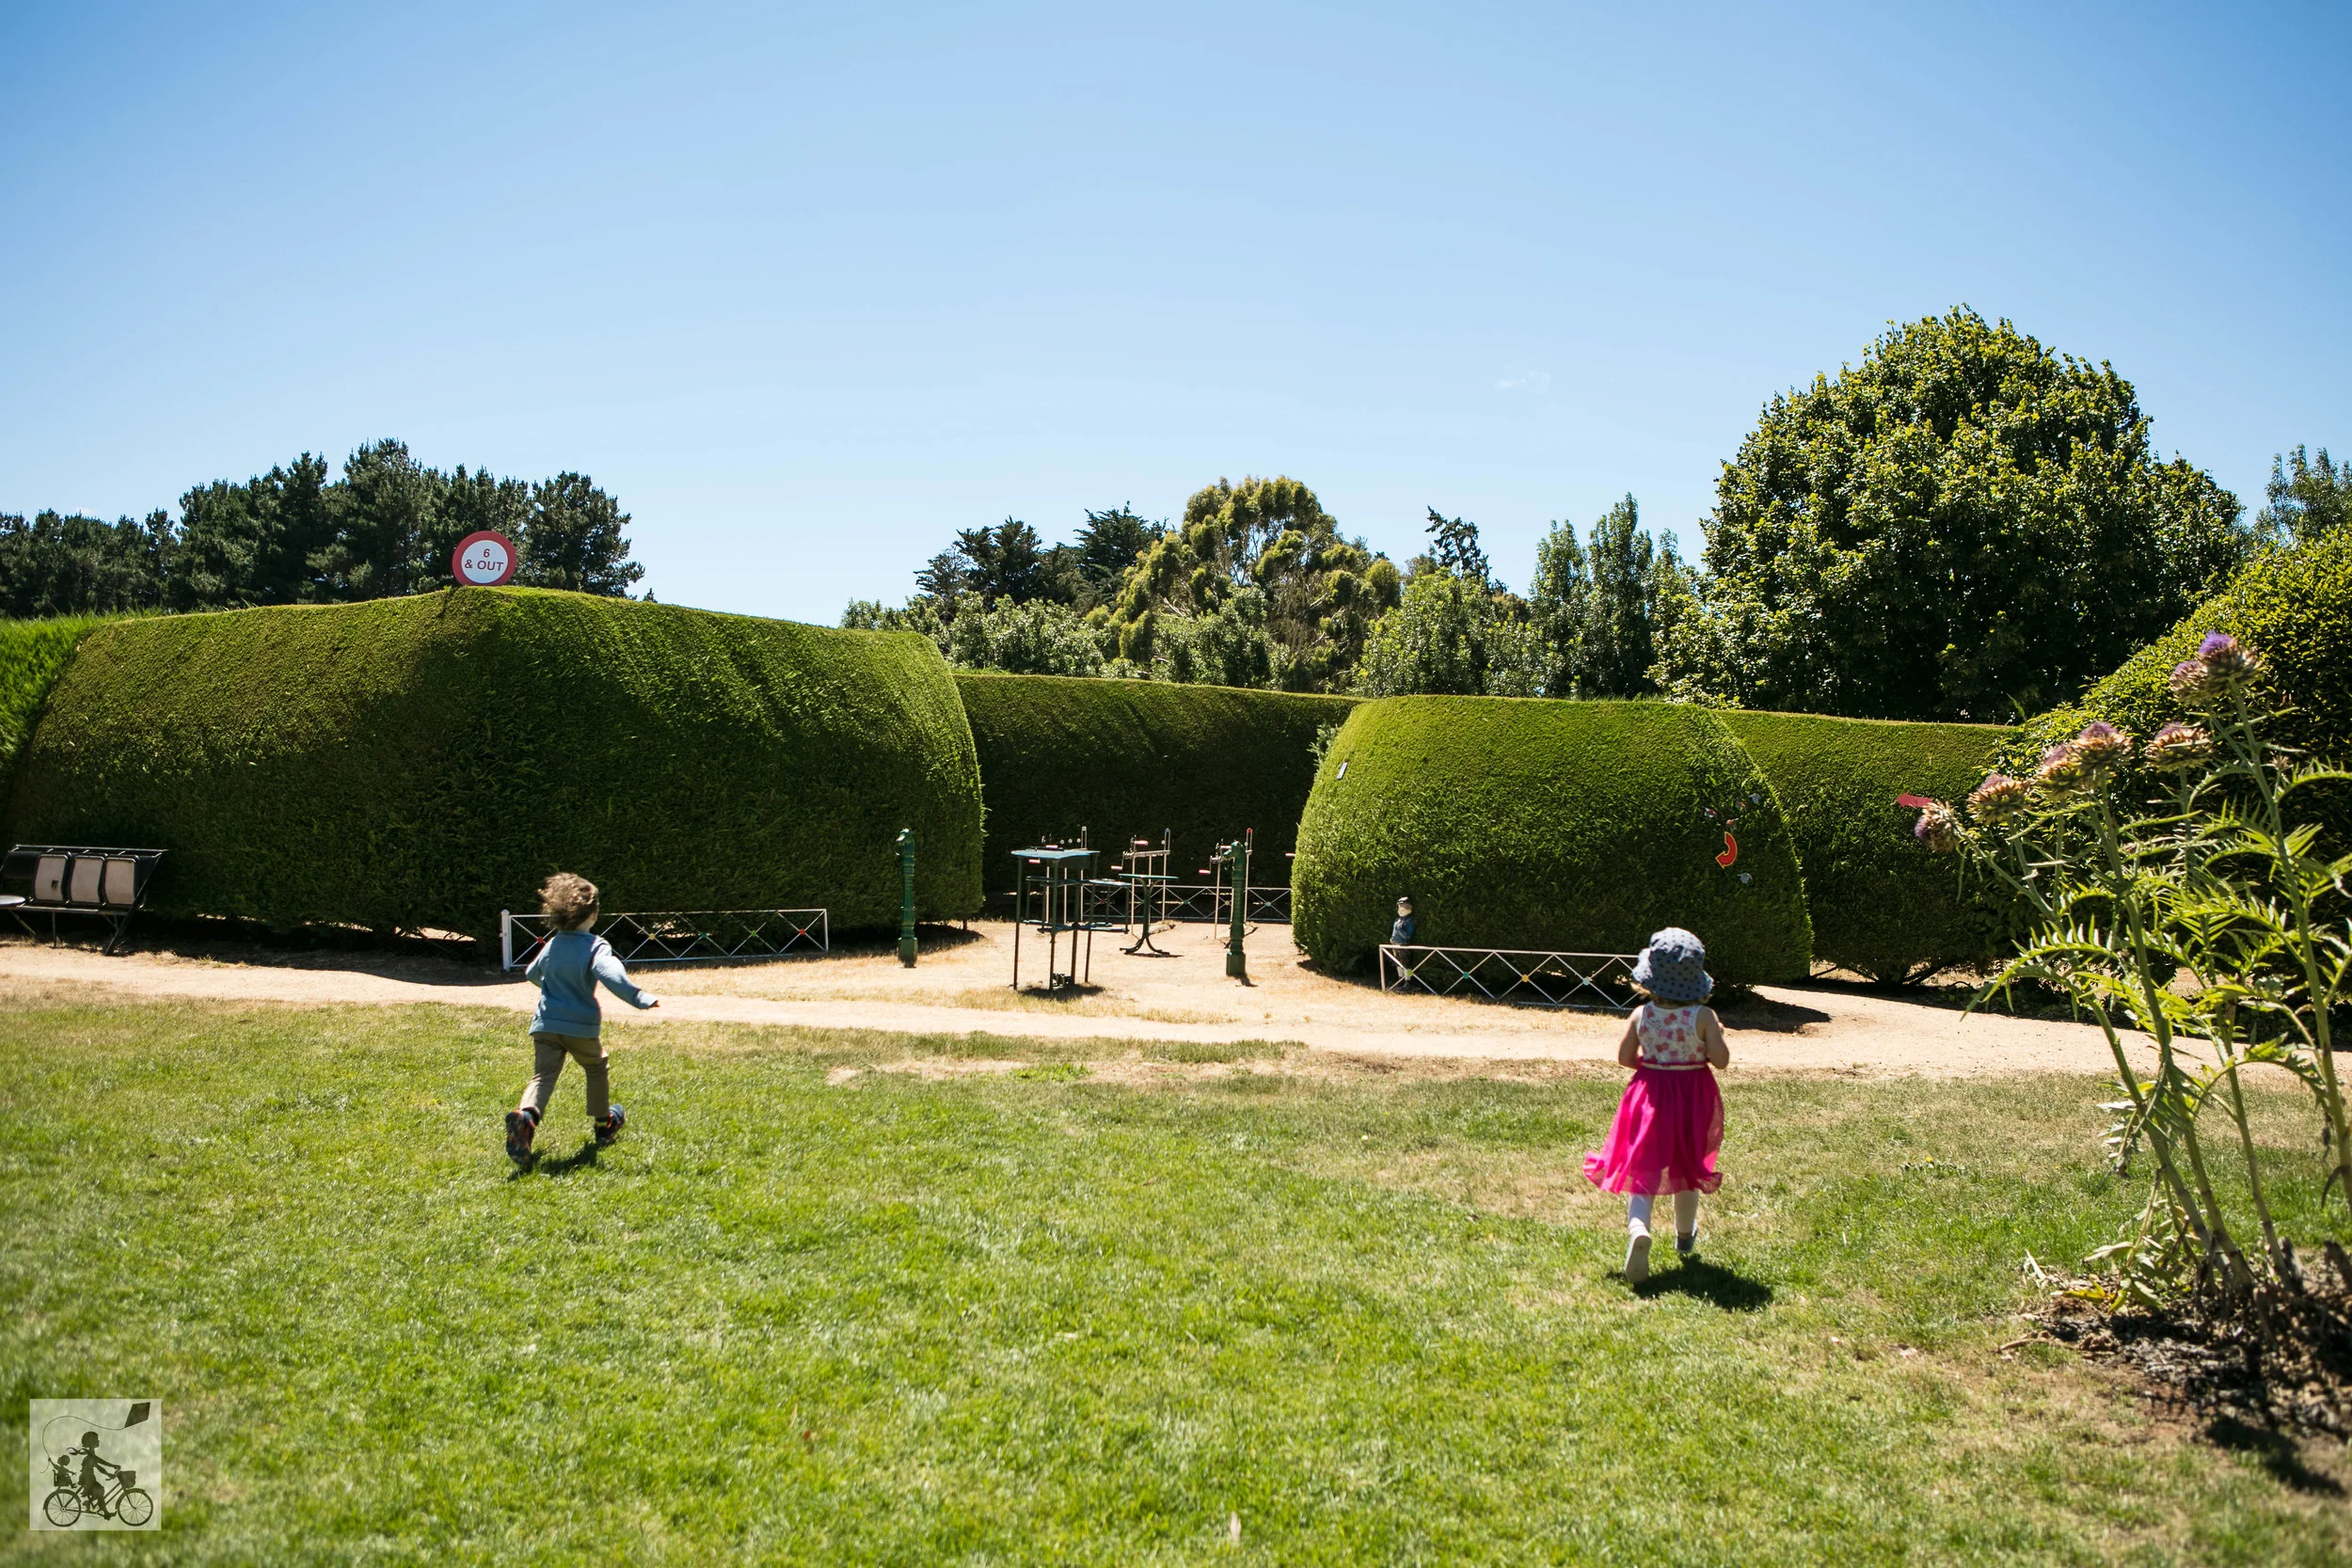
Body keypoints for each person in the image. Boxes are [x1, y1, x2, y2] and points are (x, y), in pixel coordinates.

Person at [1581, 927, 1728, 1283]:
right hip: (1692, 1098)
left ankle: (1638, 1229)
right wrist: (1718, 1036)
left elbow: (1625, 1057)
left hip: (1648, 1097)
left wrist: (1654, 1066)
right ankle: (1684, 1237)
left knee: (1644, 1171)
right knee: (1687, 1169)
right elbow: (1721, 1061)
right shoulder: (1703, 1018)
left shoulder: (1640, 1014)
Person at [506, 873, 660, 1167]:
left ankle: (526, 1118)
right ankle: (604, 1125)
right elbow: (611, 974)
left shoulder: (553, 944)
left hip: (546, 1023)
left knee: (544, 1075)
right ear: (593, 913)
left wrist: (554, 990)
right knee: (595, 1067)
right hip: (580, 1026)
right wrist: (639, 997)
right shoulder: (595, 946)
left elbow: (531, 973)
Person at [66, 1432, 120, 1512]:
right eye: (96, 1439)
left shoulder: (91, 1453)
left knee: (100, 1491)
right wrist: (111, 1469)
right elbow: (99, 1464)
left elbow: (99, 1464)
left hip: (89, 1478)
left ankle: (92, 1504)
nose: (98, 1441)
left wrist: (111, 1470)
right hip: (87, 1478)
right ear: (91, 1442)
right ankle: (105, 1512)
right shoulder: (90, 1455)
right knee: (100, 1491)